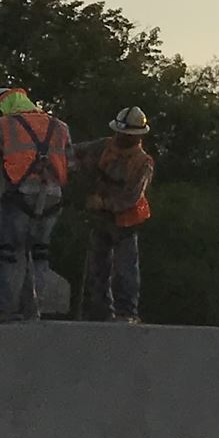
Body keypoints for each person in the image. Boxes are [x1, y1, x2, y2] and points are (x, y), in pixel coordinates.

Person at [0, 84, 73, 319]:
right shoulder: (60, 126)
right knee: (38, 253)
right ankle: (33, 310)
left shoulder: (5, 124)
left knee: (7, 250)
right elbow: (71, 163)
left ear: (2, 107)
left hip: (21, 194)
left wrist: (1, 148)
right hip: (53, 198)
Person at [76, 107, 155, 323]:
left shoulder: (143, 163)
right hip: (102, 218)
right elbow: (75, 151)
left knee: (125, 269)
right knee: (97, 267)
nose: (120, 137)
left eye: (125, 135)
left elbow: (132, 197)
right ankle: (99, 312)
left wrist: (103, 203)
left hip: (126, 221)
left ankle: (127, 312)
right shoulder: (104, 146)